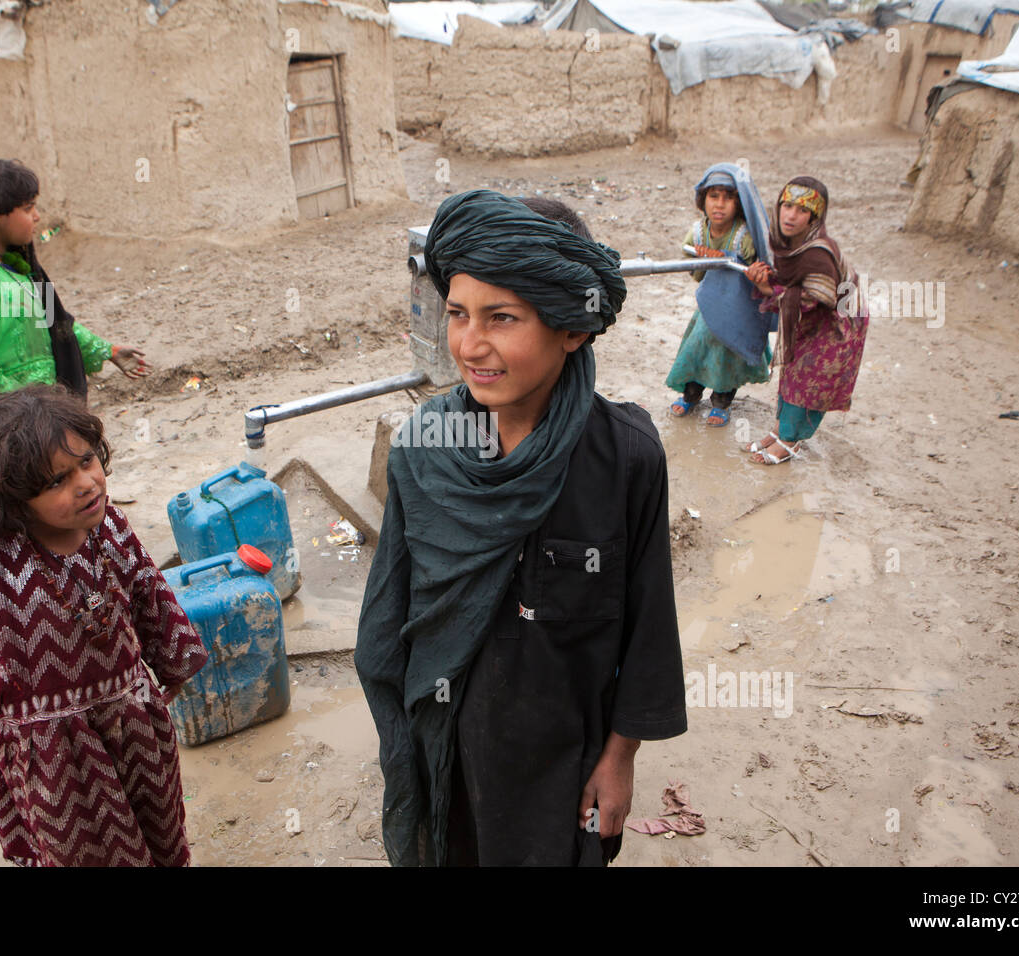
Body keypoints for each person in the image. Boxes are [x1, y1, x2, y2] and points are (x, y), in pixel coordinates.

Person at [356, 189, 687, 867]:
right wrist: (407, 748)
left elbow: (648, 627)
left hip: (560, 768)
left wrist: (620, 759)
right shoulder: (425, 450)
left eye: (501, 317)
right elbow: (391, 620)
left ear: (573, 326)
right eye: (457, 314)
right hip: (446, 751)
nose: (471, 344)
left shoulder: (625, 458)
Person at [0, 385, 208, 866]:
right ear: (14, 499)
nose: (85, 483)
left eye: (87, 461)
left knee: (162, 835)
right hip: (54, 759)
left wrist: (169, 671)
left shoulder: (110, 531)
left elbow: (149, 596)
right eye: (56, 482)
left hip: (133, 728)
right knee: (83, 852)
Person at [0, 159, 150, 424]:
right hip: (2, 430)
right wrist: (20, 407)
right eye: (28, 208)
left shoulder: (23, 272)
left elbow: (57, 325)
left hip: (42, 418)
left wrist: (105, 351)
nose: (37, 216)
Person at [745, 176, 869, 464]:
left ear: (814, 217)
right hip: (811, 321)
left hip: (837, 325)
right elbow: (793, 282)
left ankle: (790, 440)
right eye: (786, 205)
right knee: (792, 373)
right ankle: (780, 431)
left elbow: (814, 299)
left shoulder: (817, 254)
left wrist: (768, 289)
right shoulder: (788, 243)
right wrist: (768, 278)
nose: (791, 215)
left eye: (802, 210)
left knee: (809, 382)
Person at [666, 164, 773, 427]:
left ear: (739, 203)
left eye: (729, 197)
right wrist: (703, 259)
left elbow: (761, 275)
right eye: (714, 197)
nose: (720, 205)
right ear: (703, 200)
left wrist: (755, 274)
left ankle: (721, 402)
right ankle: (690, 395)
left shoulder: (744, 238)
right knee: (696, 349)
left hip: (737, 311)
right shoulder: (697, 233)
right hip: (708, 307)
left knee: (729, 357)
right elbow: (693, 268)